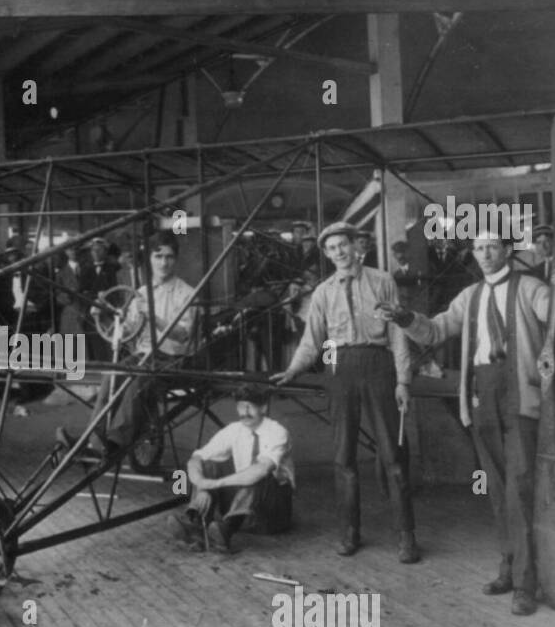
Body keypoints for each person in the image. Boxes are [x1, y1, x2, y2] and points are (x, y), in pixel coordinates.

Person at [376, 231, 555, 615]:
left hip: (520, 391)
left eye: (492, 247)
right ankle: (509, 567)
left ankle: (526, 582)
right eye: (479, 248)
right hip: (482, 393)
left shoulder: (531, 287)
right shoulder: (469, 297)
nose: (486, 254)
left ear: (506, 251)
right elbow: (436, 329)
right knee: (498, 489)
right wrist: (404, 317)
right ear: (473, 254)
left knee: (520, 487)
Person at [270, 222, 421, 564]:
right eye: (331, 248)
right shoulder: (323, 292)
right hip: (339, 366)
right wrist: (293, 368)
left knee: (393, 455)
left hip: (377, 363)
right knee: (343, 456)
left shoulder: (382, 280)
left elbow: (398, 333)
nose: (338, 252)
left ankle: (406, 536)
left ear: (356, 247)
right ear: (327, 254)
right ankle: (349, 532)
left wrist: (402, 380)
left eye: (343, 245)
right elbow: (313, 340)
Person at [57, 230, 198, 458]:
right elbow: (130, 331)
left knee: (137, 381)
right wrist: (104, 315)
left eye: (169, 257)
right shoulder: (140, 293)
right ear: (150, 259)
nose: (164, 262)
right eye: (158, 256)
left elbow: (182, 335)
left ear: (176, 259)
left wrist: (154, 317)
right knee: (111, 377)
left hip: (172, 360)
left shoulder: (187, 293)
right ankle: (91, 441)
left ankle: (114, 444)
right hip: (143, 355)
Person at [169, 386, 295, 552]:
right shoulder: (235, 429)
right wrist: (202, 486)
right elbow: (195, 459)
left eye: (250, 406)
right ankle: (196, 525)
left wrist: (214, 484)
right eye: (241, 407)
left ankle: (226, 529)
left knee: (258, 474)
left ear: (263, 408)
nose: (244, 412)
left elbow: (261, 470)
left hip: (271, 514)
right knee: (209, 464)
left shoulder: (277, 432)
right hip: (240, 507)